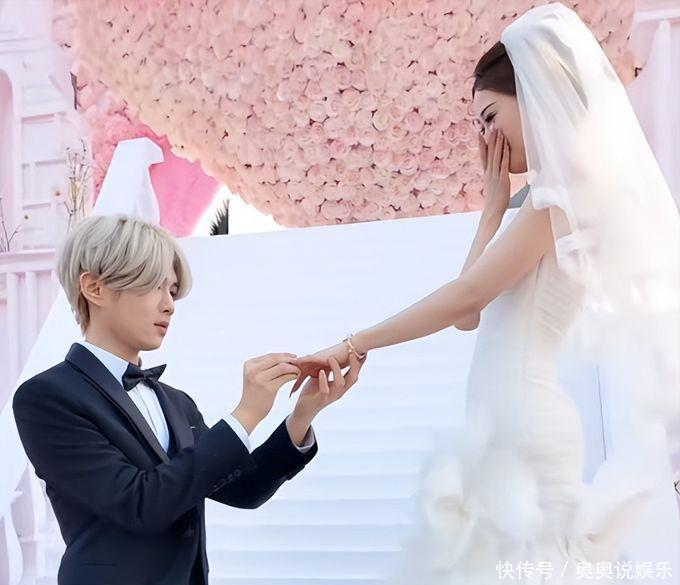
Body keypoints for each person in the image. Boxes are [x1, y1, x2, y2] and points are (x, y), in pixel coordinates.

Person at [292, 3, 680, 583]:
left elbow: (465, 298)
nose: (486, 136)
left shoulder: (559, 196)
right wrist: (493, 208)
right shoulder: (543, 200)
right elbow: (467, 316)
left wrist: (353, 343)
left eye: (491, 116)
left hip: (525, 423)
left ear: (535, 93)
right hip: (506, 421)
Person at [12, 213, 366, 585]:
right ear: (94, 288)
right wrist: (246, 413)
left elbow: (241, 489)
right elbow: (140, 504)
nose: (169, 305)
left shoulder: (176, 402)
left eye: (172, 290)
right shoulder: (47, 397)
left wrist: (302, 415)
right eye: (153, 286)